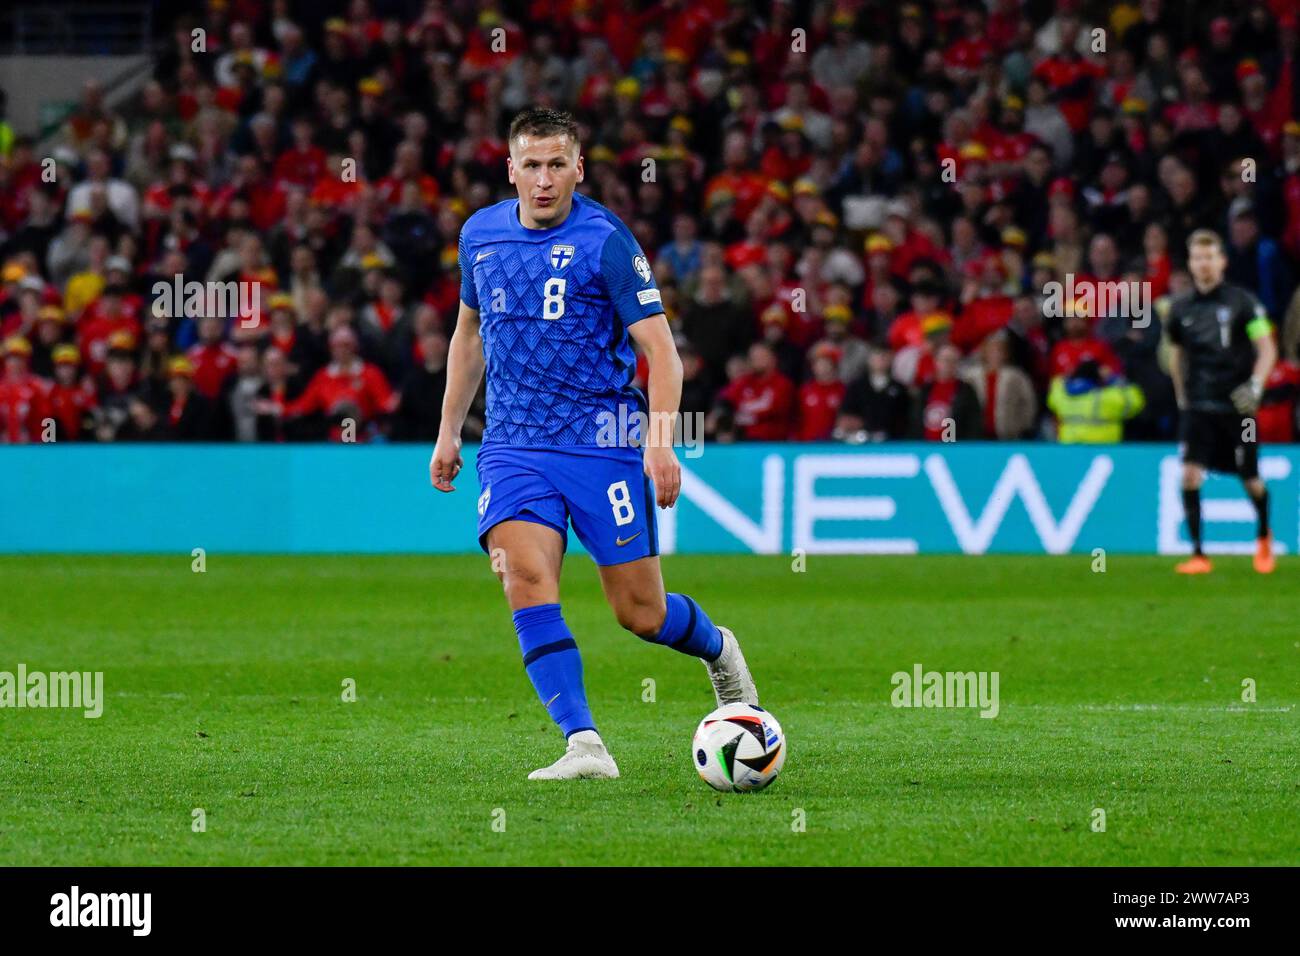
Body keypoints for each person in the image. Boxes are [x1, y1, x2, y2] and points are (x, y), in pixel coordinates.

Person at [429, 108, 758, 781]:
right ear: (510, 169)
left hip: (604, 445)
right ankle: (583, 743)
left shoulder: (605, 240)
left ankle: (719, 649)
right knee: (522, 574)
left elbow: (662, 353)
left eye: (557, 165)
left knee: (640, 613)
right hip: (514, 444)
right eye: (532, 165)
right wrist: (448, 430)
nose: (544, 180)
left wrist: (659, 445)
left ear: (579, 168)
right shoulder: (479, 236)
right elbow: (468, 336)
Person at [1165, 229, 1278, 574]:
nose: (1204, 265)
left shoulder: (1243, 302)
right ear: (1190, 262)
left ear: (1222, 262)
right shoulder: (1180, 308)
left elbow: (1268, 348)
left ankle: (1262, 537)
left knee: (1251, 480)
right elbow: (1176, 355)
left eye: (1210, 257)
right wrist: (1183, 397)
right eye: (1198, 258)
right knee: (1189, 476)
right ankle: (1199, 555)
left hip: (1239, 410)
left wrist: (1257, 385)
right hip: (1199, 408)